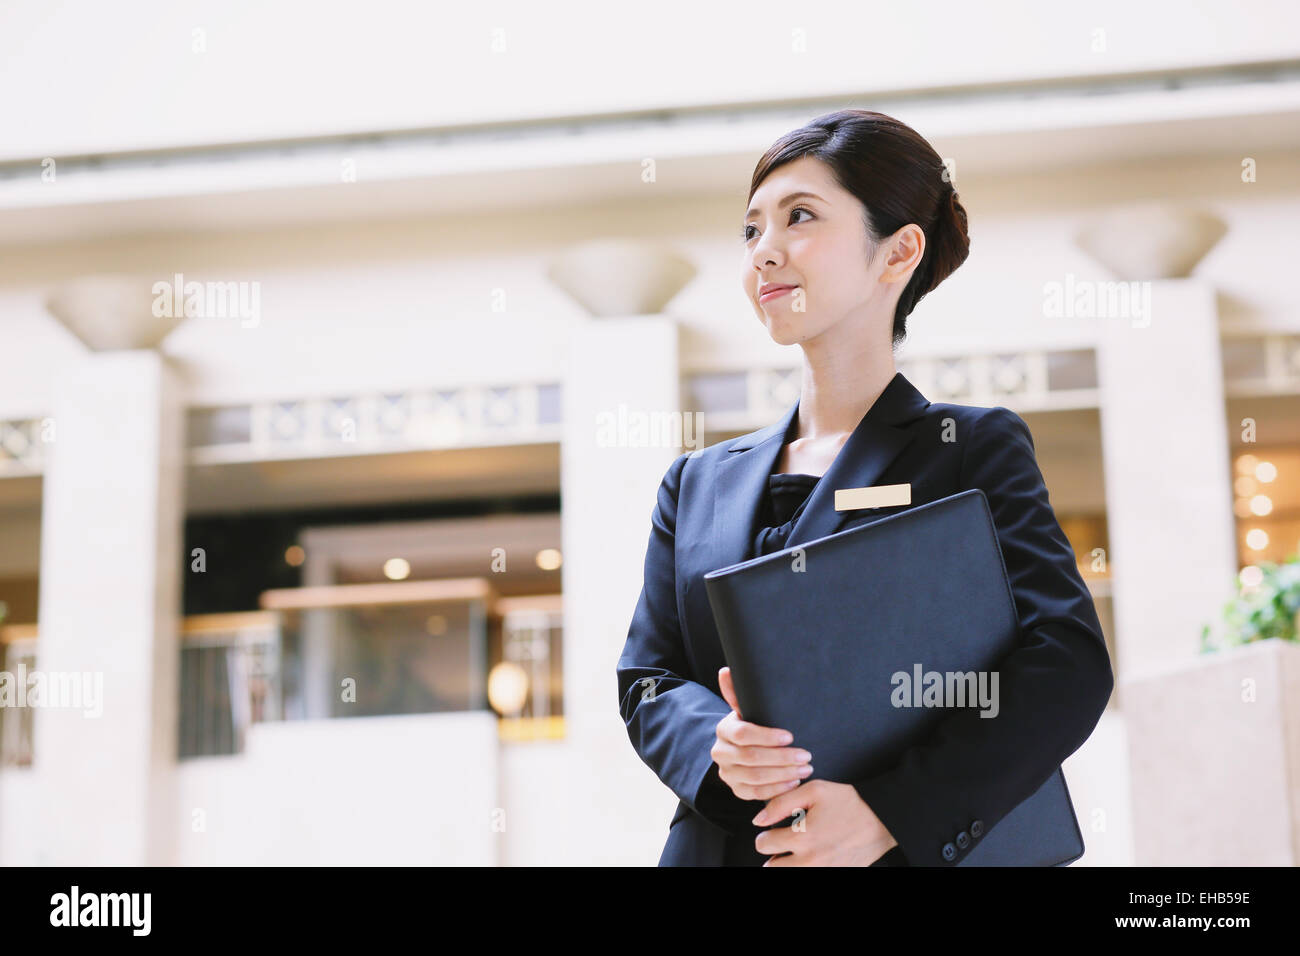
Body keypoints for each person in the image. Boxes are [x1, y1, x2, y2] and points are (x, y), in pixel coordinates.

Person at [616, 109, 1114, 866]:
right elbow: (647, 677)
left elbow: (1066, 662)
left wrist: (890, 813)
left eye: (800, 217)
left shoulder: (969, 450)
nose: (764, 250)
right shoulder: (695, 483)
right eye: (751, 230)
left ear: (898, 251)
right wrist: (717, 747)